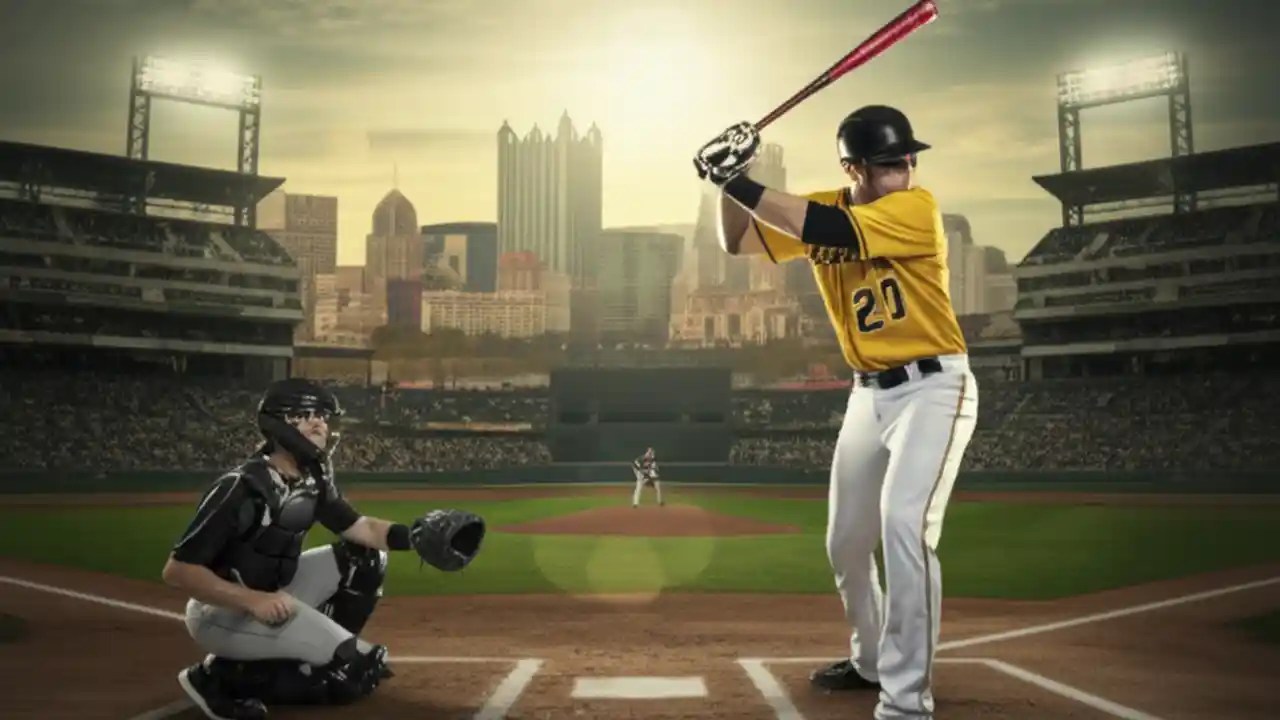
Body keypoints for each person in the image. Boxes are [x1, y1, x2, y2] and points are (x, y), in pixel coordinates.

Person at [693, 105, 979, 720]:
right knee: (846, 542)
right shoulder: (826, 204)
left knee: (905, 526)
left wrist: (737, 179)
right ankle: (870, 661)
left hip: (934, 387)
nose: (904, 169)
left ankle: (906, 703)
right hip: (868, 394)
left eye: (907, 159)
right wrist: (728, 183)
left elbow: (830, 228)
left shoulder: (915, 208)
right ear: (854, 167)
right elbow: (737, 238)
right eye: (888, 164)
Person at [161, 378, 409, 719]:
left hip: (274, 591)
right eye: (305, 414)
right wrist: (253, 600)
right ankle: (217, 678)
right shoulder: (241, 487)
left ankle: (313, 651)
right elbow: (177, 571)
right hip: (221, 611)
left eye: (322, 414)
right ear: (279, 423)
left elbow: (361, 529)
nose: (320, 422)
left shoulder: (314, 477)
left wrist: (414, 537)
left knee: (364, 557)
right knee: (347, 678)